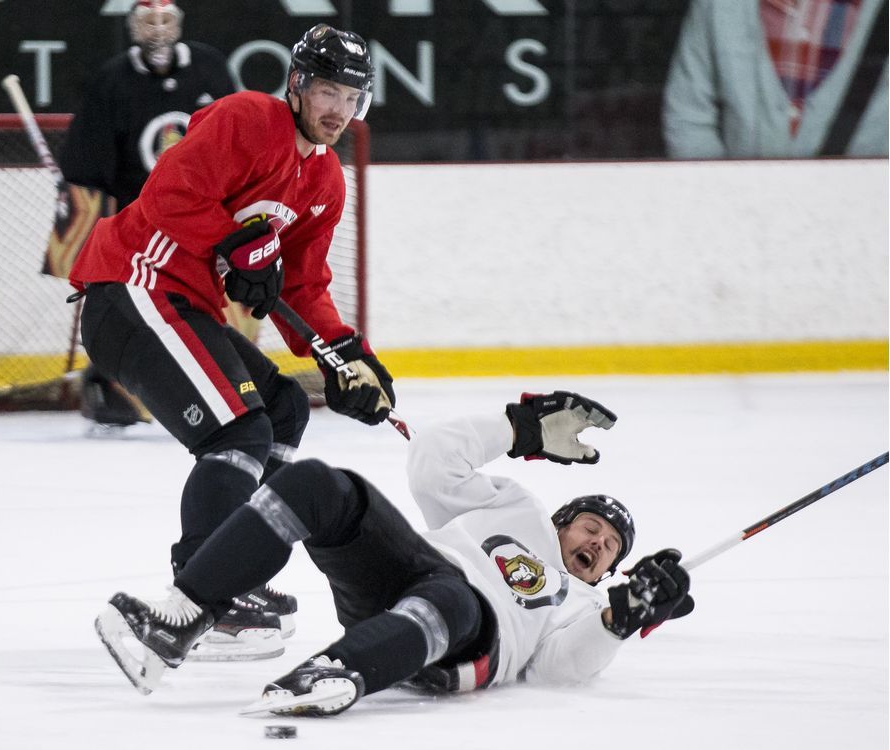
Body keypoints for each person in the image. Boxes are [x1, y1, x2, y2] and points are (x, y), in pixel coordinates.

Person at [68, 24, 396, 660]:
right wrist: (234, 241)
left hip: (179, 302)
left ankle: (229, 580)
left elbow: (302, 283)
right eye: (327, 90)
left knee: (283, 411)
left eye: (351, 96)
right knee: (236, 432)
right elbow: (169, 193)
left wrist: (345, 352)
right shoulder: (248, 118)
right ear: (297, 86)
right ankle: (202, 598)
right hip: (133, 285)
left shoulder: (325, 182)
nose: (338, 109)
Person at [94, 390, 695, 715]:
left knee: (453, 600)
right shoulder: (516, 506)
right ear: (561, 521)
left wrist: (620, 620)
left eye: (610, 546)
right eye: (591, 527)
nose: (596, 542)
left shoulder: (586, 602)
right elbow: (433, 459)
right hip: (405, 578)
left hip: (469, 636)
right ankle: (178, 619)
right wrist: (520, 430)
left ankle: (337, 671)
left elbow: (559, 666)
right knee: (321, 485)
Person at [50, 0, 234, 428]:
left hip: (198, 220)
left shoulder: (209, 68)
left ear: (179, 24)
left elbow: (234, 141)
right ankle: (105, 387)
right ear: (133, 26)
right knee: (125, 307)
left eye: (166, 19)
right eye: (148, 20)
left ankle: (216, 383)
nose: (158, 29)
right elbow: (86, 165)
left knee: (200, 305)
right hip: (136, 227)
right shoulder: (111, 79)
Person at [662, 0, 888, 158]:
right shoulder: (719, 6)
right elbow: (688, 115)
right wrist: (722, 200)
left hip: (867, 215)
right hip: (738, 213)